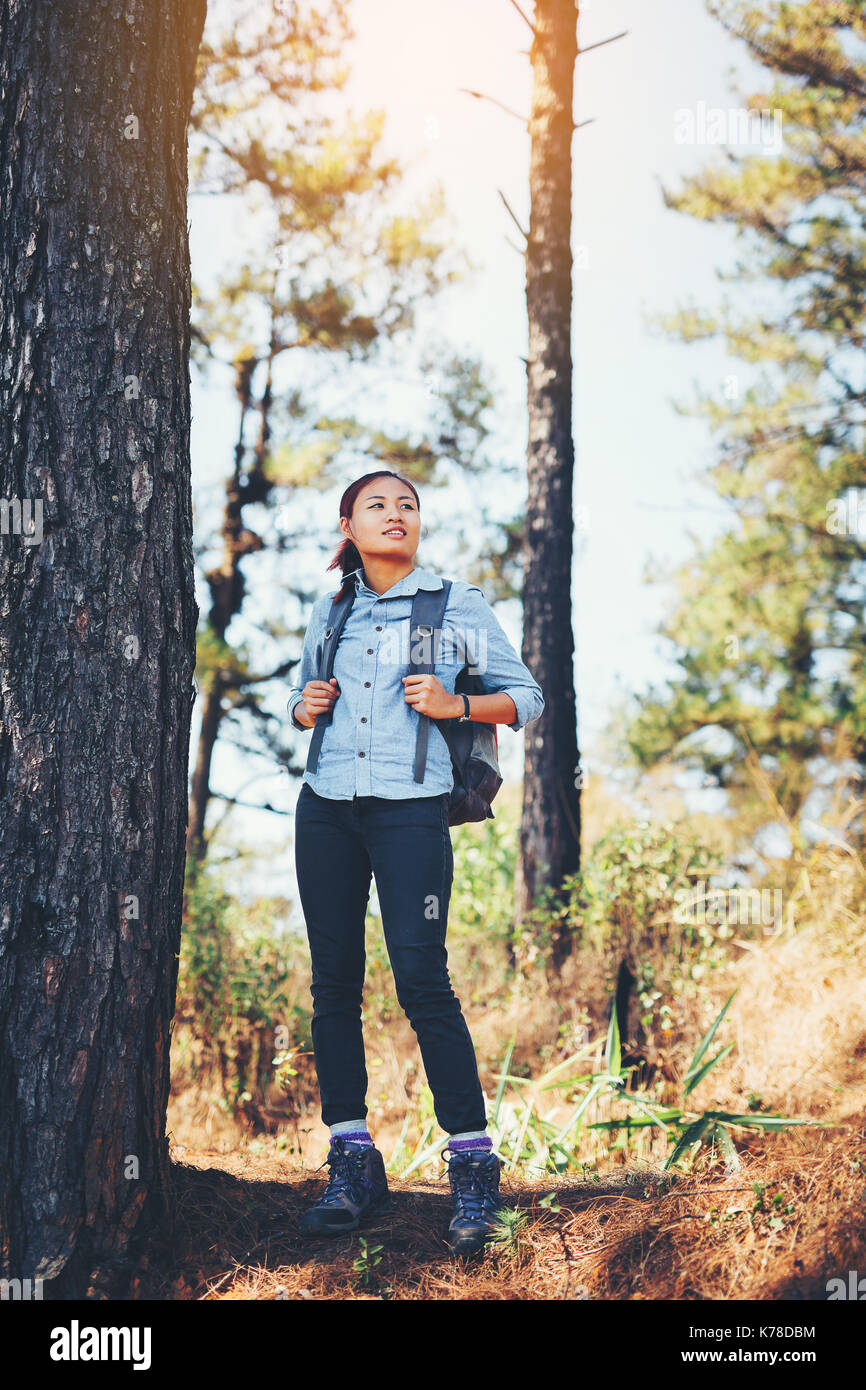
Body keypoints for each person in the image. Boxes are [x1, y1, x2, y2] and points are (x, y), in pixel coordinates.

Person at [287, 469, 545, 1258]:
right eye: (378, 506)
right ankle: (353, 1161)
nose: (395, 516)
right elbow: (303, 696)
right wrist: (303, 706)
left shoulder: (454, 605)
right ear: (347, 524)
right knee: (333, 985)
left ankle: (471, 1166)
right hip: (325, 808)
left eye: (408, 506)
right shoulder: (330, 608)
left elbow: (526, 697)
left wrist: (458, 704)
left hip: (411, 811)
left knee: (422, 981)